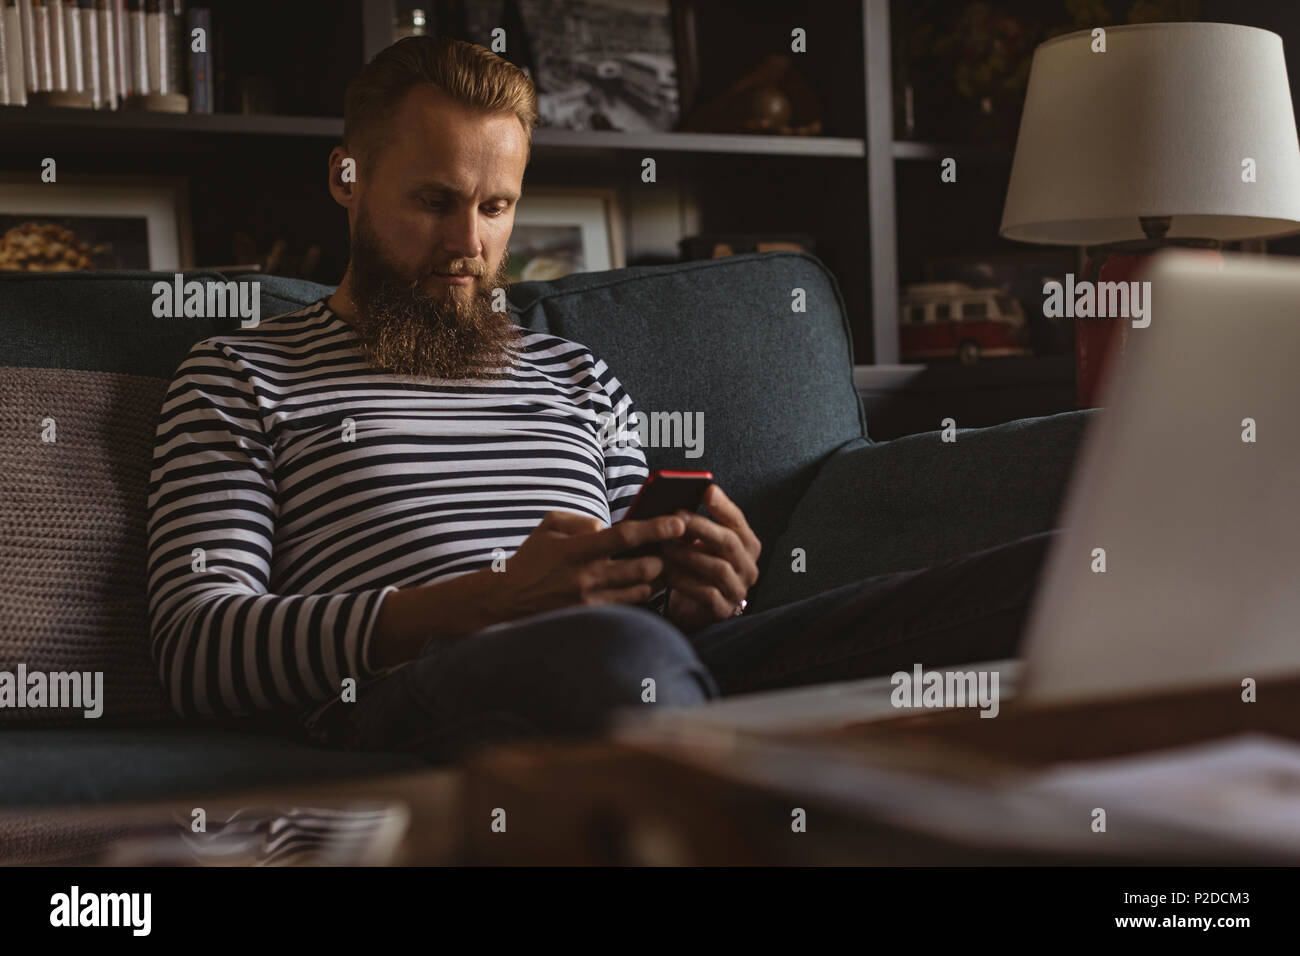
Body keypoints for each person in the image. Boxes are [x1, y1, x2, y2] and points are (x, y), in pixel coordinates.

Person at [145, 35, 1057, 763]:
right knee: (618, 657)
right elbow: (198, 647)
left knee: (1043, 581)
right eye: (434, 201)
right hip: (415, 698)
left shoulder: (575, 376)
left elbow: (649, 604)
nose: (468, 242)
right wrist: (489, 601)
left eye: (496, 207)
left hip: (644, 669)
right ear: (348, 179)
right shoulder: (237, 375)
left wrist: (704, 596)